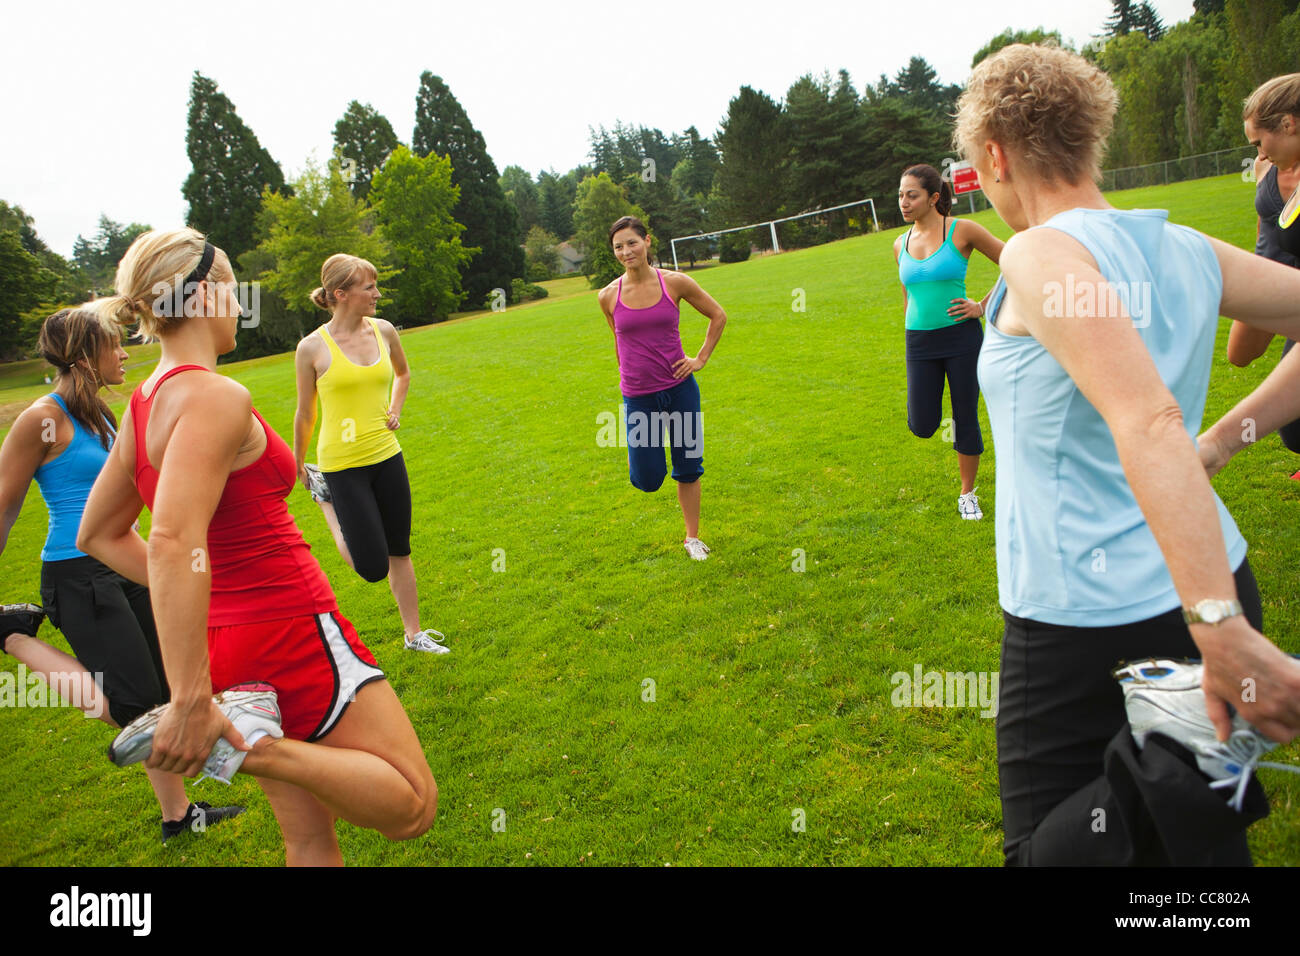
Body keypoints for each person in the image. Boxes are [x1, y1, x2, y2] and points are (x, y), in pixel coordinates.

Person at [954, 43, 1300, 865]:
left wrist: (1216, 627)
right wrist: (1222, 442)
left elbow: (1146, 419)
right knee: (1200, 853)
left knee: (1040, 850)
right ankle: (1188, 763)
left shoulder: (1040, 252)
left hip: (1083, 612)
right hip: (1210, 574)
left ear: (996, 153)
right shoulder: (1186, 248)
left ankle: (1174, 755)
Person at [78, 228, 437, 866]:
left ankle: (242, 733)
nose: (242, 305)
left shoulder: (145, 401)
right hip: (290, 625)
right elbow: (171, 538)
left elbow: (101, 535)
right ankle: (247, 744)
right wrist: (189, 701)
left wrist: (213, 603)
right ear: (208, 293)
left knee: (307, 837)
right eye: (234, 286)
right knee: (412, 804)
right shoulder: (217, 396)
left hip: (233, 648)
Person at [0, 307, 242, 843]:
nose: (125, 353)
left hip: (126, 560)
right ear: (87, 353)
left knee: (161, 694)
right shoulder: (44, 418)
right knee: (132, 705)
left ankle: (178, 817)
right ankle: (14, 638)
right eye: (114, 345)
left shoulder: (105, 415)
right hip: (77, 574)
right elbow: (4, 505)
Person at [292, 254, 446, 654]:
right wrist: (298, 463)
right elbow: (305, 411)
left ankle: (414, 635)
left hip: (386, 454)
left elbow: (403, 373)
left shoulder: (384, 330)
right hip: (342, 465)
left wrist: (395, 409)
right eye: (368, 287)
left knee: (400, 548)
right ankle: (324, 500)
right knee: (372, 567)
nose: (377, 293)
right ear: (340, 294)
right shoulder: (311, 348)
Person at [598, 216, 726, 560]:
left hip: (680, 389)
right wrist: (627, 376)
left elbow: (718, 315)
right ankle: (640, 454)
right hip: (639, 397)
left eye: (632, 243)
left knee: (688, 466)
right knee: (648, 478)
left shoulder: (675, 283)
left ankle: (692, 538)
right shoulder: (608, 295)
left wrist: (699, 359)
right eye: (619, 247)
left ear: (647, 242)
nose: (626, 251)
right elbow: (619, 340)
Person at [893, 164, 1004, 519]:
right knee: (923, 424)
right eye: (900, 195)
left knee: (965, 416)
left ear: (934, 198)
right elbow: (907, 293)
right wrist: (910, 329)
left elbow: (1014, 260)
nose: (904, 202)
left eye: (912, 195)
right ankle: (934, 428)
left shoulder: (961, 231)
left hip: (961, 338)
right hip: (919, 342)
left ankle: (967, 493)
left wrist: (982, 306)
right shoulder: (899, 244)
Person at [1223, 72, 1300, 472]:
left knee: (1293, 427)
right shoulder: (1266, 168)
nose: (1258, 152)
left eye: (1259, 141)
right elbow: (1265, 226)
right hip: (1275, 272)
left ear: (1288, 123)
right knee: (1238, 355)